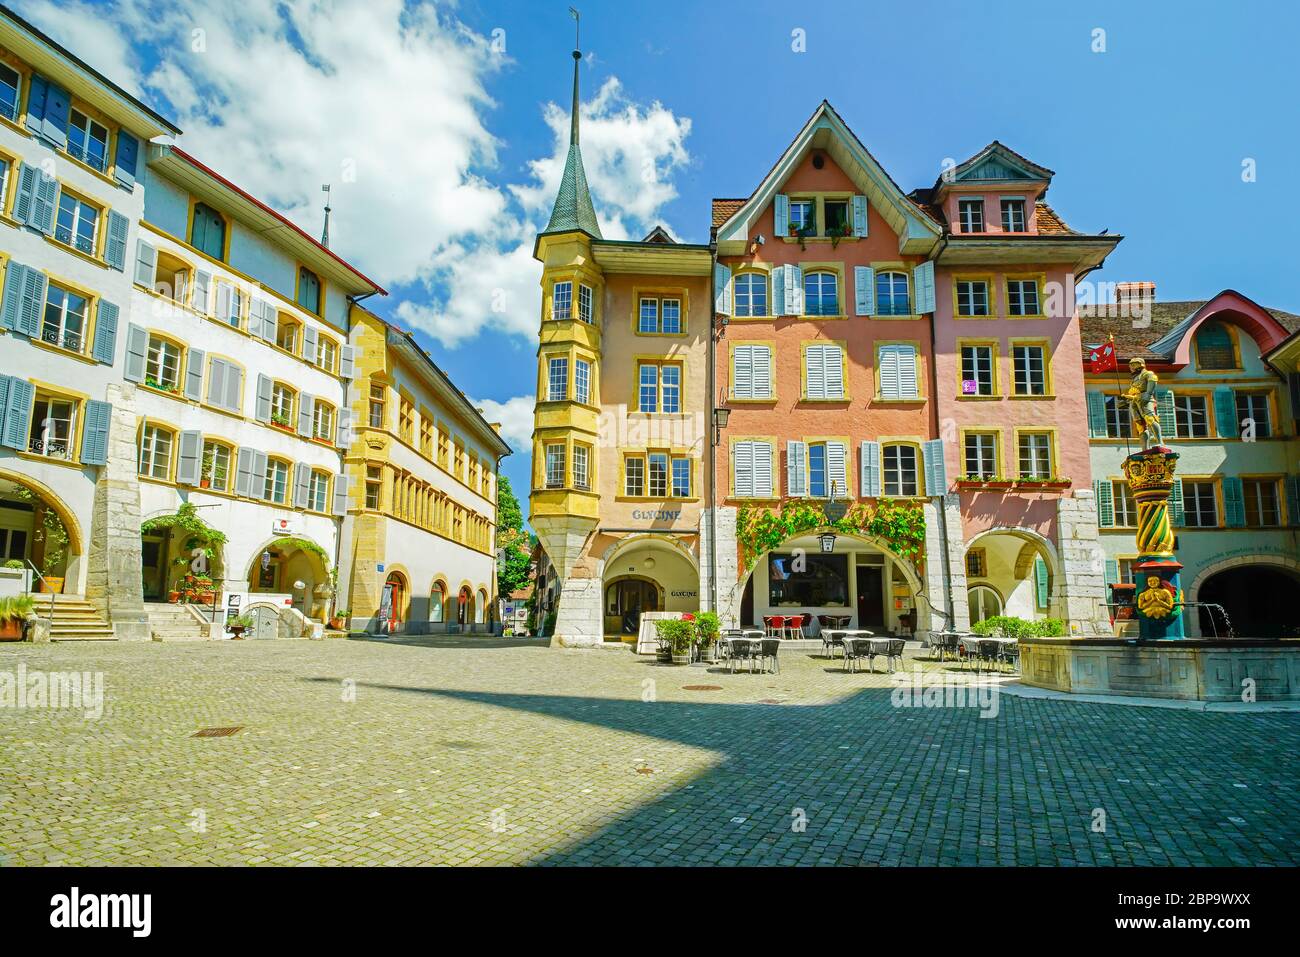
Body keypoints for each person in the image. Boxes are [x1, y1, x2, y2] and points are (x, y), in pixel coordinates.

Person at [1123, 357, 1163, 449]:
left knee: (1150, 419)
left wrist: (1148, 394)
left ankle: (1160, 442)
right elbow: (1133, 391)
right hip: (1134, 401)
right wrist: (1126, 400)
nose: (1131, 368)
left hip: (1144, 399)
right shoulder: (1134, 378)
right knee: (1140, 425)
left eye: (1133, 365)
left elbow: (1153, 380)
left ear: (1139, 364)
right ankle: (1145, 448)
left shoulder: (1147, 374)